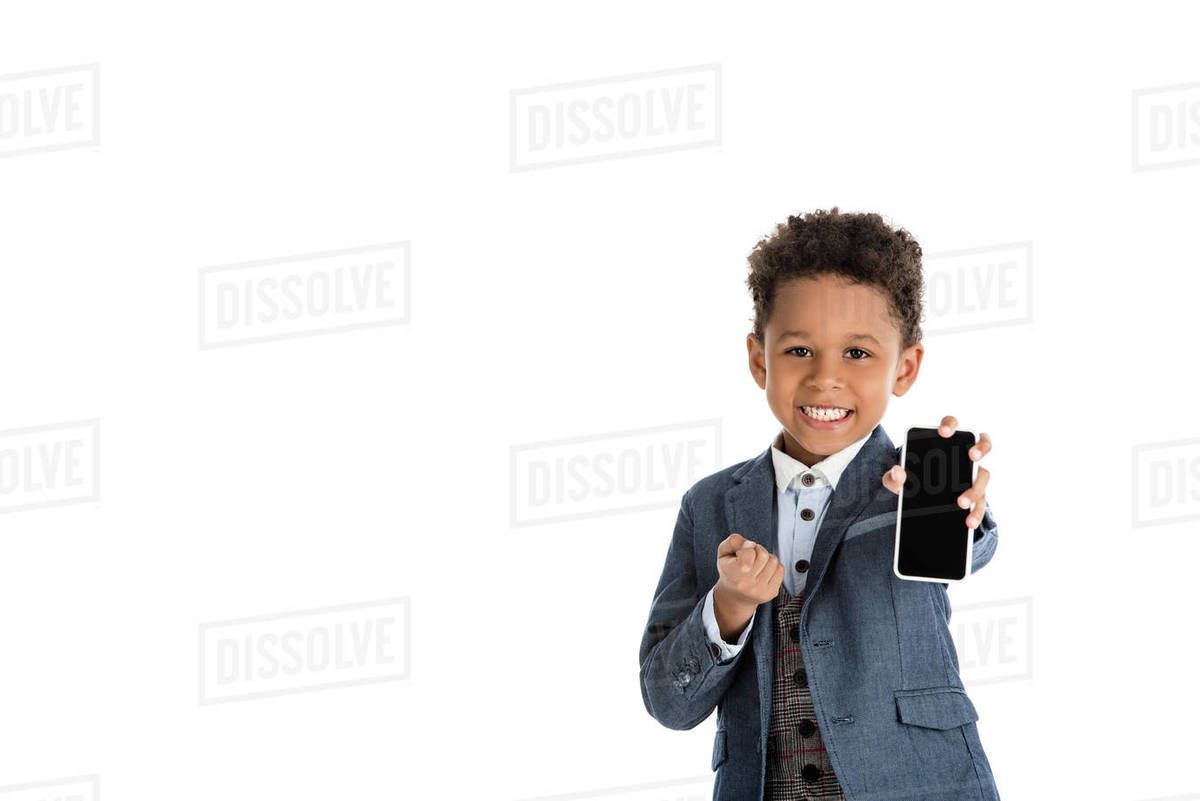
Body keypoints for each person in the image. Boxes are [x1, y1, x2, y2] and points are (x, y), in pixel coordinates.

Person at [638, 207, 1001, 800]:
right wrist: (728, 606)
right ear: (760, 359)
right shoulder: (709, 506)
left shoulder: (913, 484)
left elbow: (976, 545)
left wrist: (964, 515)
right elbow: (668, 701)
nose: (825, 378)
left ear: (905, 367)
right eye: (799, 351)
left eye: (857, 354)